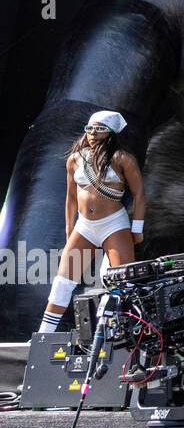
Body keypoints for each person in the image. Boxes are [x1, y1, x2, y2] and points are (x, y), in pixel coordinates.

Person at [38, 110, 145, 334]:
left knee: (120, 282)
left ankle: (118, 335)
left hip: (114, 224)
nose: (93, 134)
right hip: (85, 225)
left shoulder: (122, 158)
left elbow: (139, 194)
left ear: (111, 133)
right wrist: (69, 227)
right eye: (90, 128)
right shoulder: (75, 159)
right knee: (63, 281)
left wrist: (137, 228)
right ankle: (44, 334)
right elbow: (70, 197)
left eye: (100, 129)